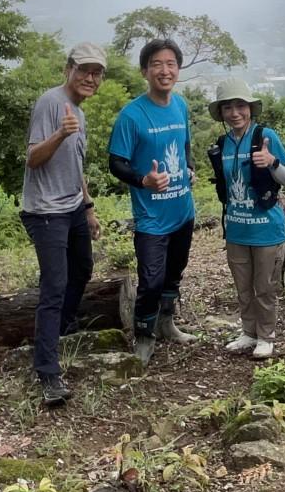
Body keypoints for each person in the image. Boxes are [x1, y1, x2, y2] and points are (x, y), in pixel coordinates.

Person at [20, 42, 107, 407]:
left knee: (83, 268)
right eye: (84, 69)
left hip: (71, 208)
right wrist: (59, 133)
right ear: (67, 69)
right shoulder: (51, 103)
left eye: (96, 72)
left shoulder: (80, 114)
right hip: (44, 211)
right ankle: (48, 372)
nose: (90, 77)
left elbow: (76, 166)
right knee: (54, 284)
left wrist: (88, 207)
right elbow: (33, 158)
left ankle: (59, 331)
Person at [108, 37, 196, 364]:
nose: (164, 70)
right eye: (157, 64)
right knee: (152, 279)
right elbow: (116, 162)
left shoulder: (181, 105)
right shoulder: (132, 115)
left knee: (174, 272)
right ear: (145, 71)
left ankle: (166, 323)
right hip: (151, 218)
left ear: (178, 69)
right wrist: (143, 180)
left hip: (182, 210)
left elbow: (185, 146)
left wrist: (189, 168)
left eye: (170, 64)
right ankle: (144, 335)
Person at [206, 81, 285, 359]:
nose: (235, 113)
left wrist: (272, 162)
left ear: (250, 109)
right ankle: (248, 332)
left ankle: (266, 336)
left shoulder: (265, 136)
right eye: (228, 107)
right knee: (243, 287)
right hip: (236, 229)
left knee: (265, 288)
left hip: (267, 228)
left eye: (240, 106)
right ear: (221, 113)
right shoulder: (223, 144)